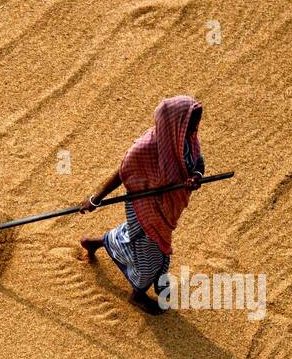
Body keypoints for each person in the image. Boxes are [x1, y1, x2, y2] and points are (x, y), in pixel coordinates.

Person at [79, 96, 206, 313]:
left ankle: (97, 243)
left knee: (136, 236)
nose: (195, 127)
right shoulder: (146, 147)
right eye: (191, 123)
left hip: (165, 207)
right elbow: (122, 173)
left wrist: (196, 175)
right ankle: (137, 295)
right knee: (154, 252)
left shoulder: (186, 138)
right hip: (144, 205)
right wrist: (96, 198)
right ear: (176, 122)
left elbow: (198, 162)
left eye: (195, 122)